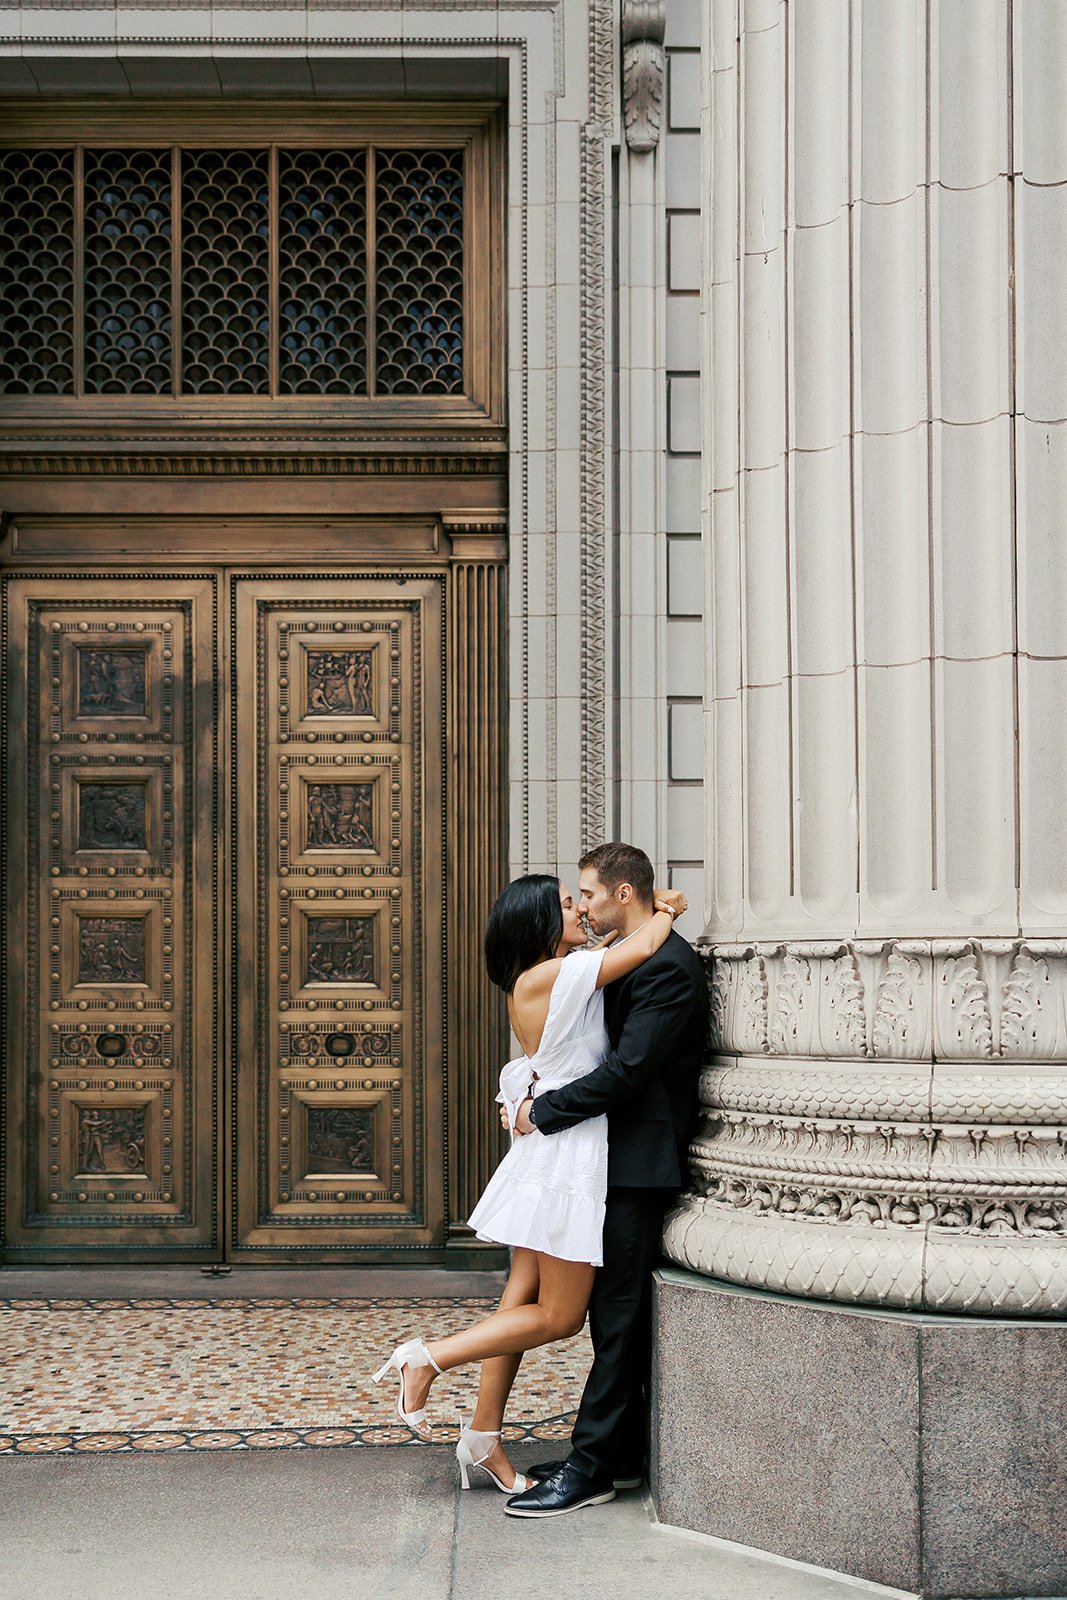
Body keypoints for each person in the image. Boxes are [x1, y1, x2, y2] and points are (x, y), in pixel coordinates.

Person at [371, 868, 687, 1498]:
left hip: (549, 1149)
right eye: (568, 904)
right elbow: (644, 948)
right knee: (562, 1316)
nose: (581, 912)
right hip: (566, 1156)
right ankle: (427, 1357)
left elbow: (604, 958)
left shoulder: (552, 974)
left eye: (581, 900)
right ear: (542, 922)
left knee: (519, 1297)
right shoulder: (550, 976)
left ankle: (484, 1435)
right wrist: (667, 909)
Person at [502, 840, 709, 1519]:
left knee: (616, 1321)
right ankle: (615, 1456)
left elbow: (627, 1071)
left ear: (623, 893)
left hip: (635, 1167)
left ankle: (591, 1467)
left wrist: (544, 1114)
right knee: (604, 1318)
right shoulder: (631, 954)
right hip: (601, 1161)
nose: (581, 906)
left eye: (586, 893)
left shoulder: (669, 969)